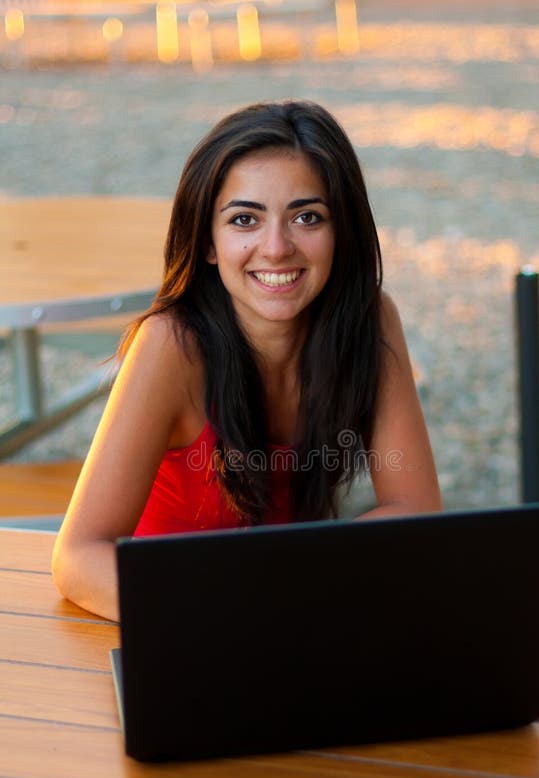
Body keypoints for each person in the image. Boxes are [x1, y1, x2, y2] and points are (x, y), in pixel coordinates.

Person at [52, 99, 442, 621]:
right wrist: (234, 609)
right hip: (175, 630)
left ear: (340, 230)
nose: (276, 248)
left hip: (288, 624)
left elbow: (416, 511)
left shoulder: (369, 322)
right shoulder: (171, 346)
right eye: (244, 220)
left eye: (307, 216)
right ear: (209, 242)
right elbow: (77, 558)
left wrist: (300, 585)